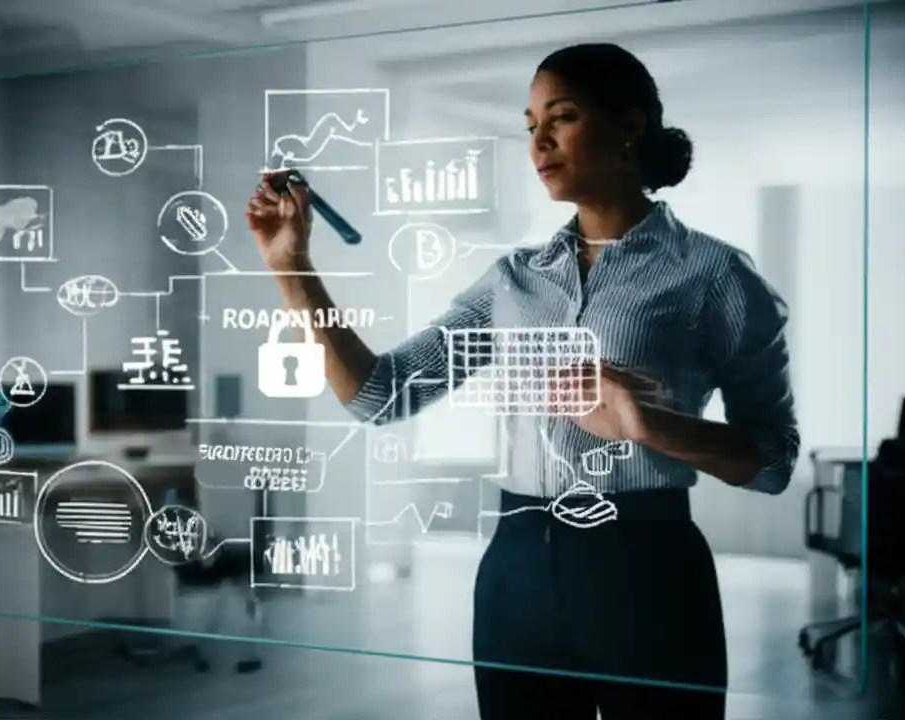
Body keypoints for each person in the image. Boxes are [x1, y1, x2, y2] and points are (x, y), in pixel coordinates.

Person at [246, 42, 798, 720]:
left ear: (628, 126)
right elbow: (379, 395)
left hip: (647, 569)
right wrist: (292, 268)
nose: (539, 140)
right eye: (531, 123)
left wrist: (649, 425)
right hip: (516, 574)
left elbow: (772, 461)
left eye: (560, 117)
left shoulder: (716, 275)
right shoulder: (512, 280)